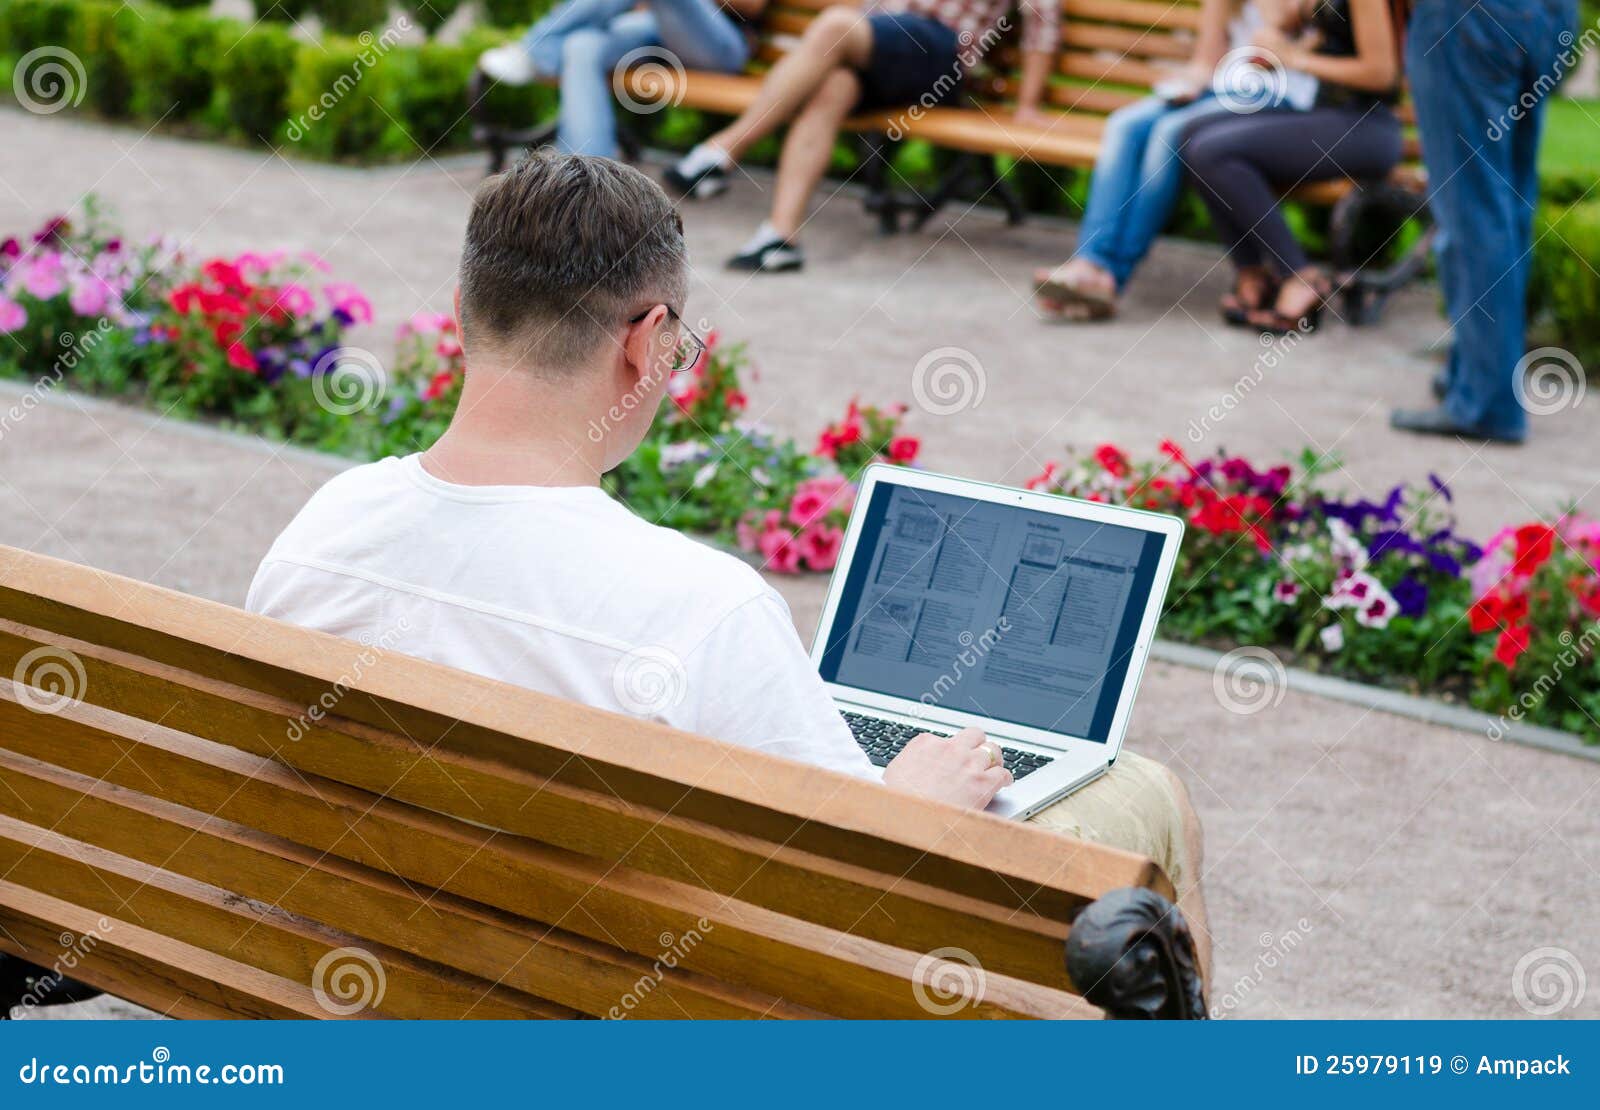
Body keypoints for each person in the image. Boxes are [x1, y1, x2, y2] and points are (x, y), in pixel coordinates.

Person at [246, 153, 1210, 970]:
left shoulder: (325, 528)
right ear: (647, 342)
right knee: (1147, 795)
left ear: (462, 312)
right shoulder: (700, 606)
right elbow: (854, 881)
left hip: (355, 966)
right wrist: (910, 799)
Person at [661, 0, 1060, 273]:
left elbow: (1041, 23)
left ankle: (723, 150)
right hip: (880, 43)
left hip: (940, 51)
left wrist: (1026, 105)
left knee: (836, 25)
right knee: (831, 88)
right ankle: (781, 238)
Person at [1034, 0, 1318, 322]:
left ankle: (1110, 276)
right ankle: (1089, 262)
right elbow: (1206, 62)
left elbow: (1281, 32)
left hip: (1278, 93)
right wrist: (1190, 84)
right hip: (1221, 90)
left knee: (1169, 132)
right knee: (1124, 124)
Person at [1390, 0, 1577, 444]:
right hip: (1548, 14)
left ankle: (1486, 402)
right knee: (1506, 203)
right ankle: (1479, 372)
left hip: (1467, 17)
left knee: (1472, 208)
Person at [1179, 0, 1405, 334]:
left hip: (1366, 126)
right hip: (1324, 113)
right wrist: (1283, 40)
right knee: (1189, 136)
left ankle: (1300, 277)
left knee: (1215, 151)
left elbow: (1382, 73)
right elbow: (1312, 35)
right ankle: (1253, 273)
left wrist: (1296, 58)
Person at [478, 0, 767, 160]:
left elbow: (751, 5)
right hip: (658, 31)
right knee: (582, 46)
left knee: (573, 43)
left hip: (722, 48)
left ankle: (536, 47)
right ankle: (587, 174)